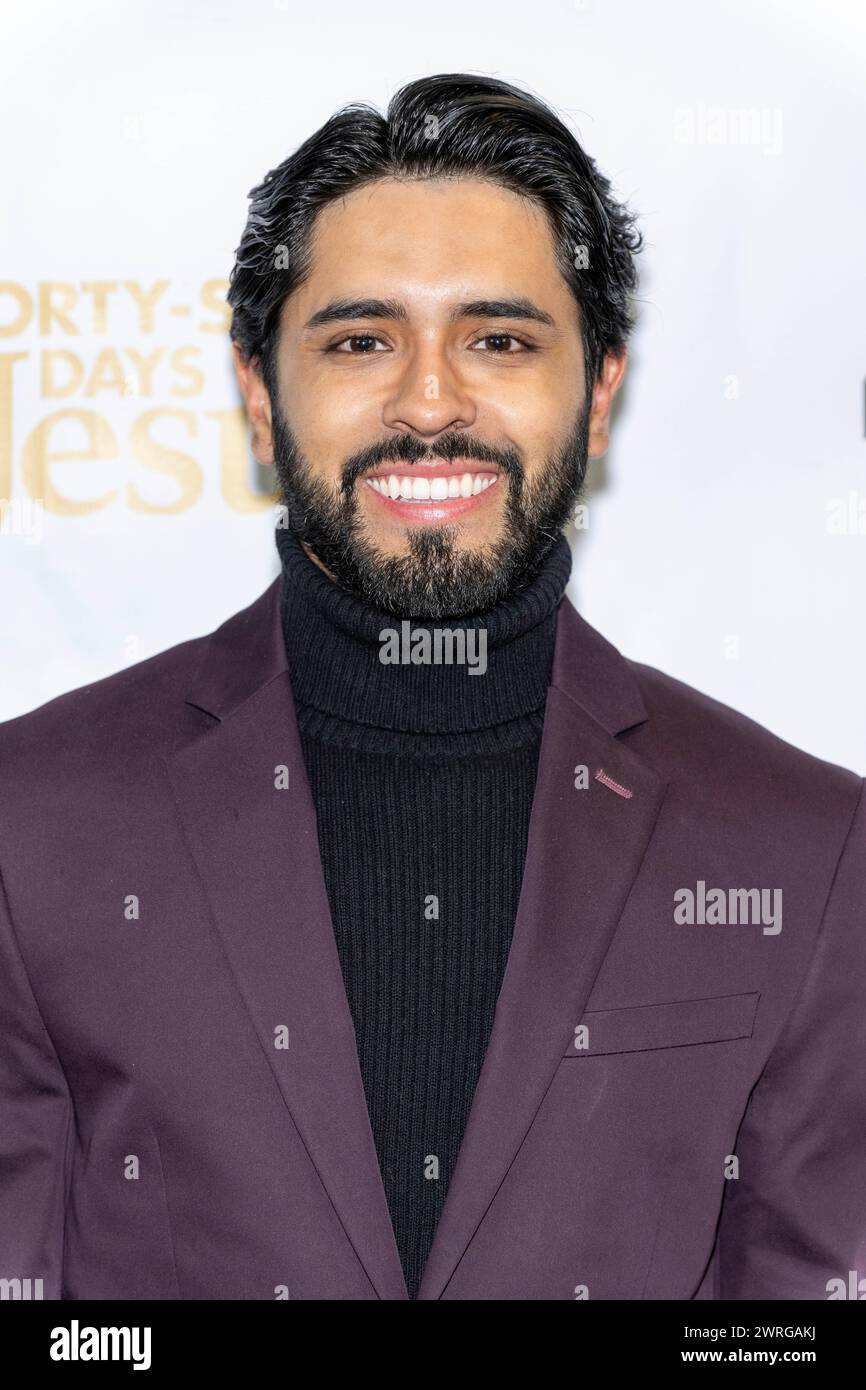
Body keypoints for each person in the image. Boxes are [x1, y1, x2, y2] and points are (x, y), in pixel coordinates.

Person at [1, 73, 864, 1302]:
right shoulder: (30, 822)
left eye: (498, 339)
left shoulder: (802, 846)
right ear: (257, 391)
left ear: (600, 392)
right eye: (360, 340)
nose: (427, 400)